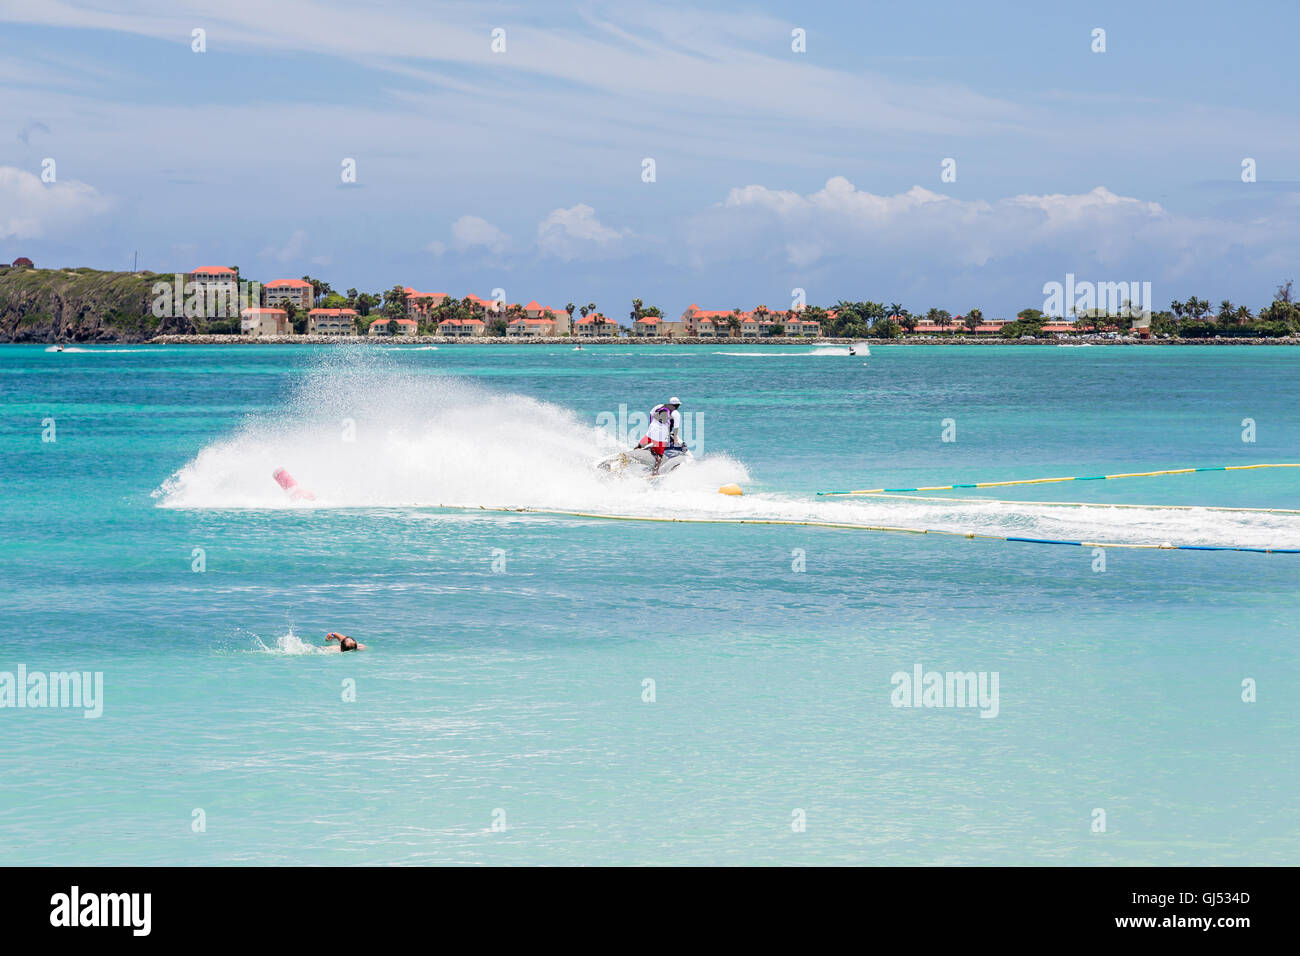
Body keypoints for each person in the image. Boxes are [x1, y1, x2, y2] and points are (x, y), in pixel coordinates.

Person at [637, 397, 683, 474]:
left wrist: (652, 424)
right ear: (678, 405)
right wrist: (675, 439)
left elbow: (651, 413)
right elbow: (676, 427)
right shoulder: (676, 413)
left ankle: (630, 455)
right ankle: (655, 472)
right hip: (661, 434)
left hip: (651, 430)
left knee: (640, 445)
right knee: (659, 455)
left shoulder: (660, 406)